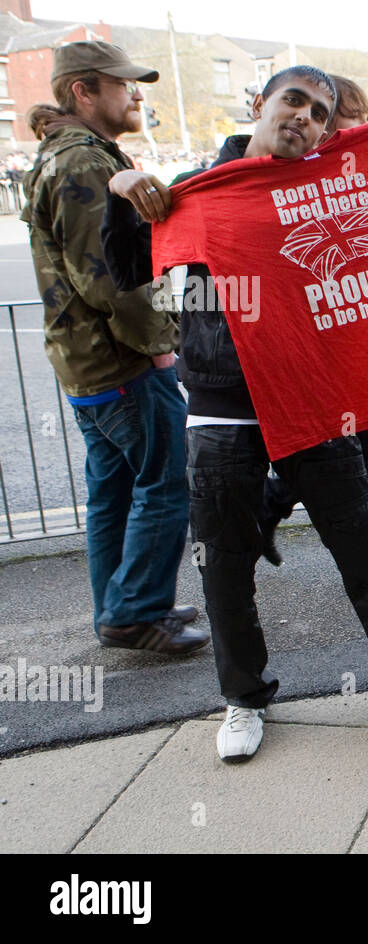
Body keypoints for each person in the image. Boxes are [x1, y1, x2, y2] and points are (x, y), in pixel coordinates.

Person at [101, 65, 368, 763]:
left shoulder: (332, 185)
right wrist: (122, 195)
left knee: (363, 554)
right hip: (224, 405)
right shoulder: (203, 191)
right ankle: (243, 699)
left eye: (322, 111)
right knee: (225, 568)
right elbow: (126, 268)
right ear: (260, 105)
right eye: (292, 101)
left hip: (317, 397)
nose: (305, 117)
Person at [20, 41, 207, 655]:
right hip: (122, 360)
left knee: (114, 492)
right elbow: (112, 277)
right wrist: (159, 348)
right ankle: (134, 612)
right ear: (83, 91)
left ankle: (121, 605)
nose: (136, 94)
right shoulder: (84, 164)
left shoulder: (65, 156)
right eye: (123, 85)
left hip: (87, 366)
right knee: (163, 482)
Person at [257, 74, 368, 586]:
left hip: (358, 345)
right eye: (353, 121)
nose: (363, 130)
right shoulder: (292, 179)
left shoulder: (363, 178)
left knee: (360, 452)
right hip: (314, 353)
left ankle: (270, 513)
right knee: (329, 455)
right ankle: (363, 559)